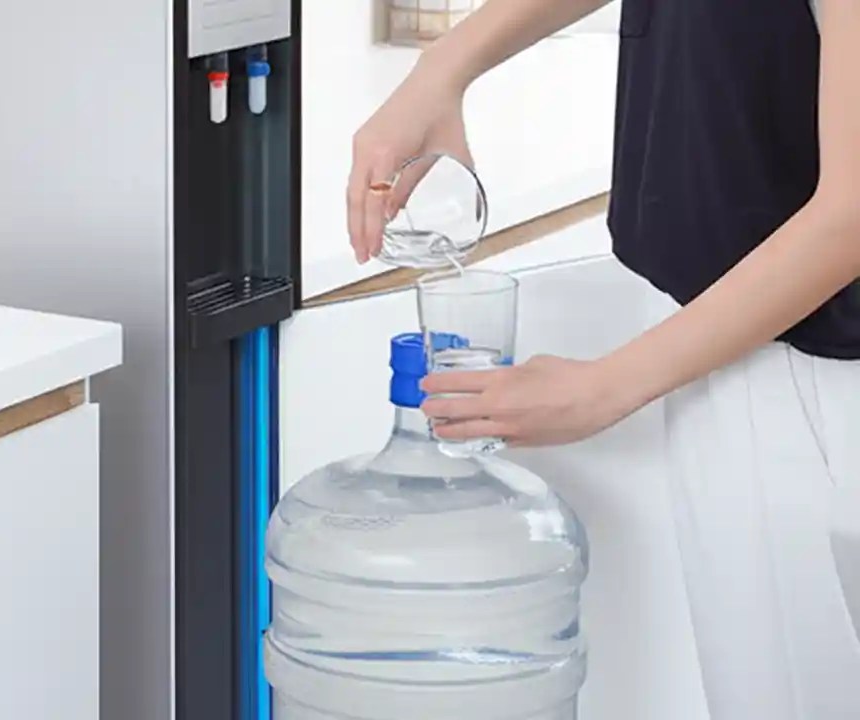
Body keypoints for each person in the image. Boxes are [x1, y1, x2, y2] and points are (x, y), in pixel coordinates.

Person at [348, 1, 860, 718]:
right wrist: (446, 64)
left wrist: (602, 390)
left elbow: (852, 216)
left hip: (812, 372)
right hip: (722, 339)